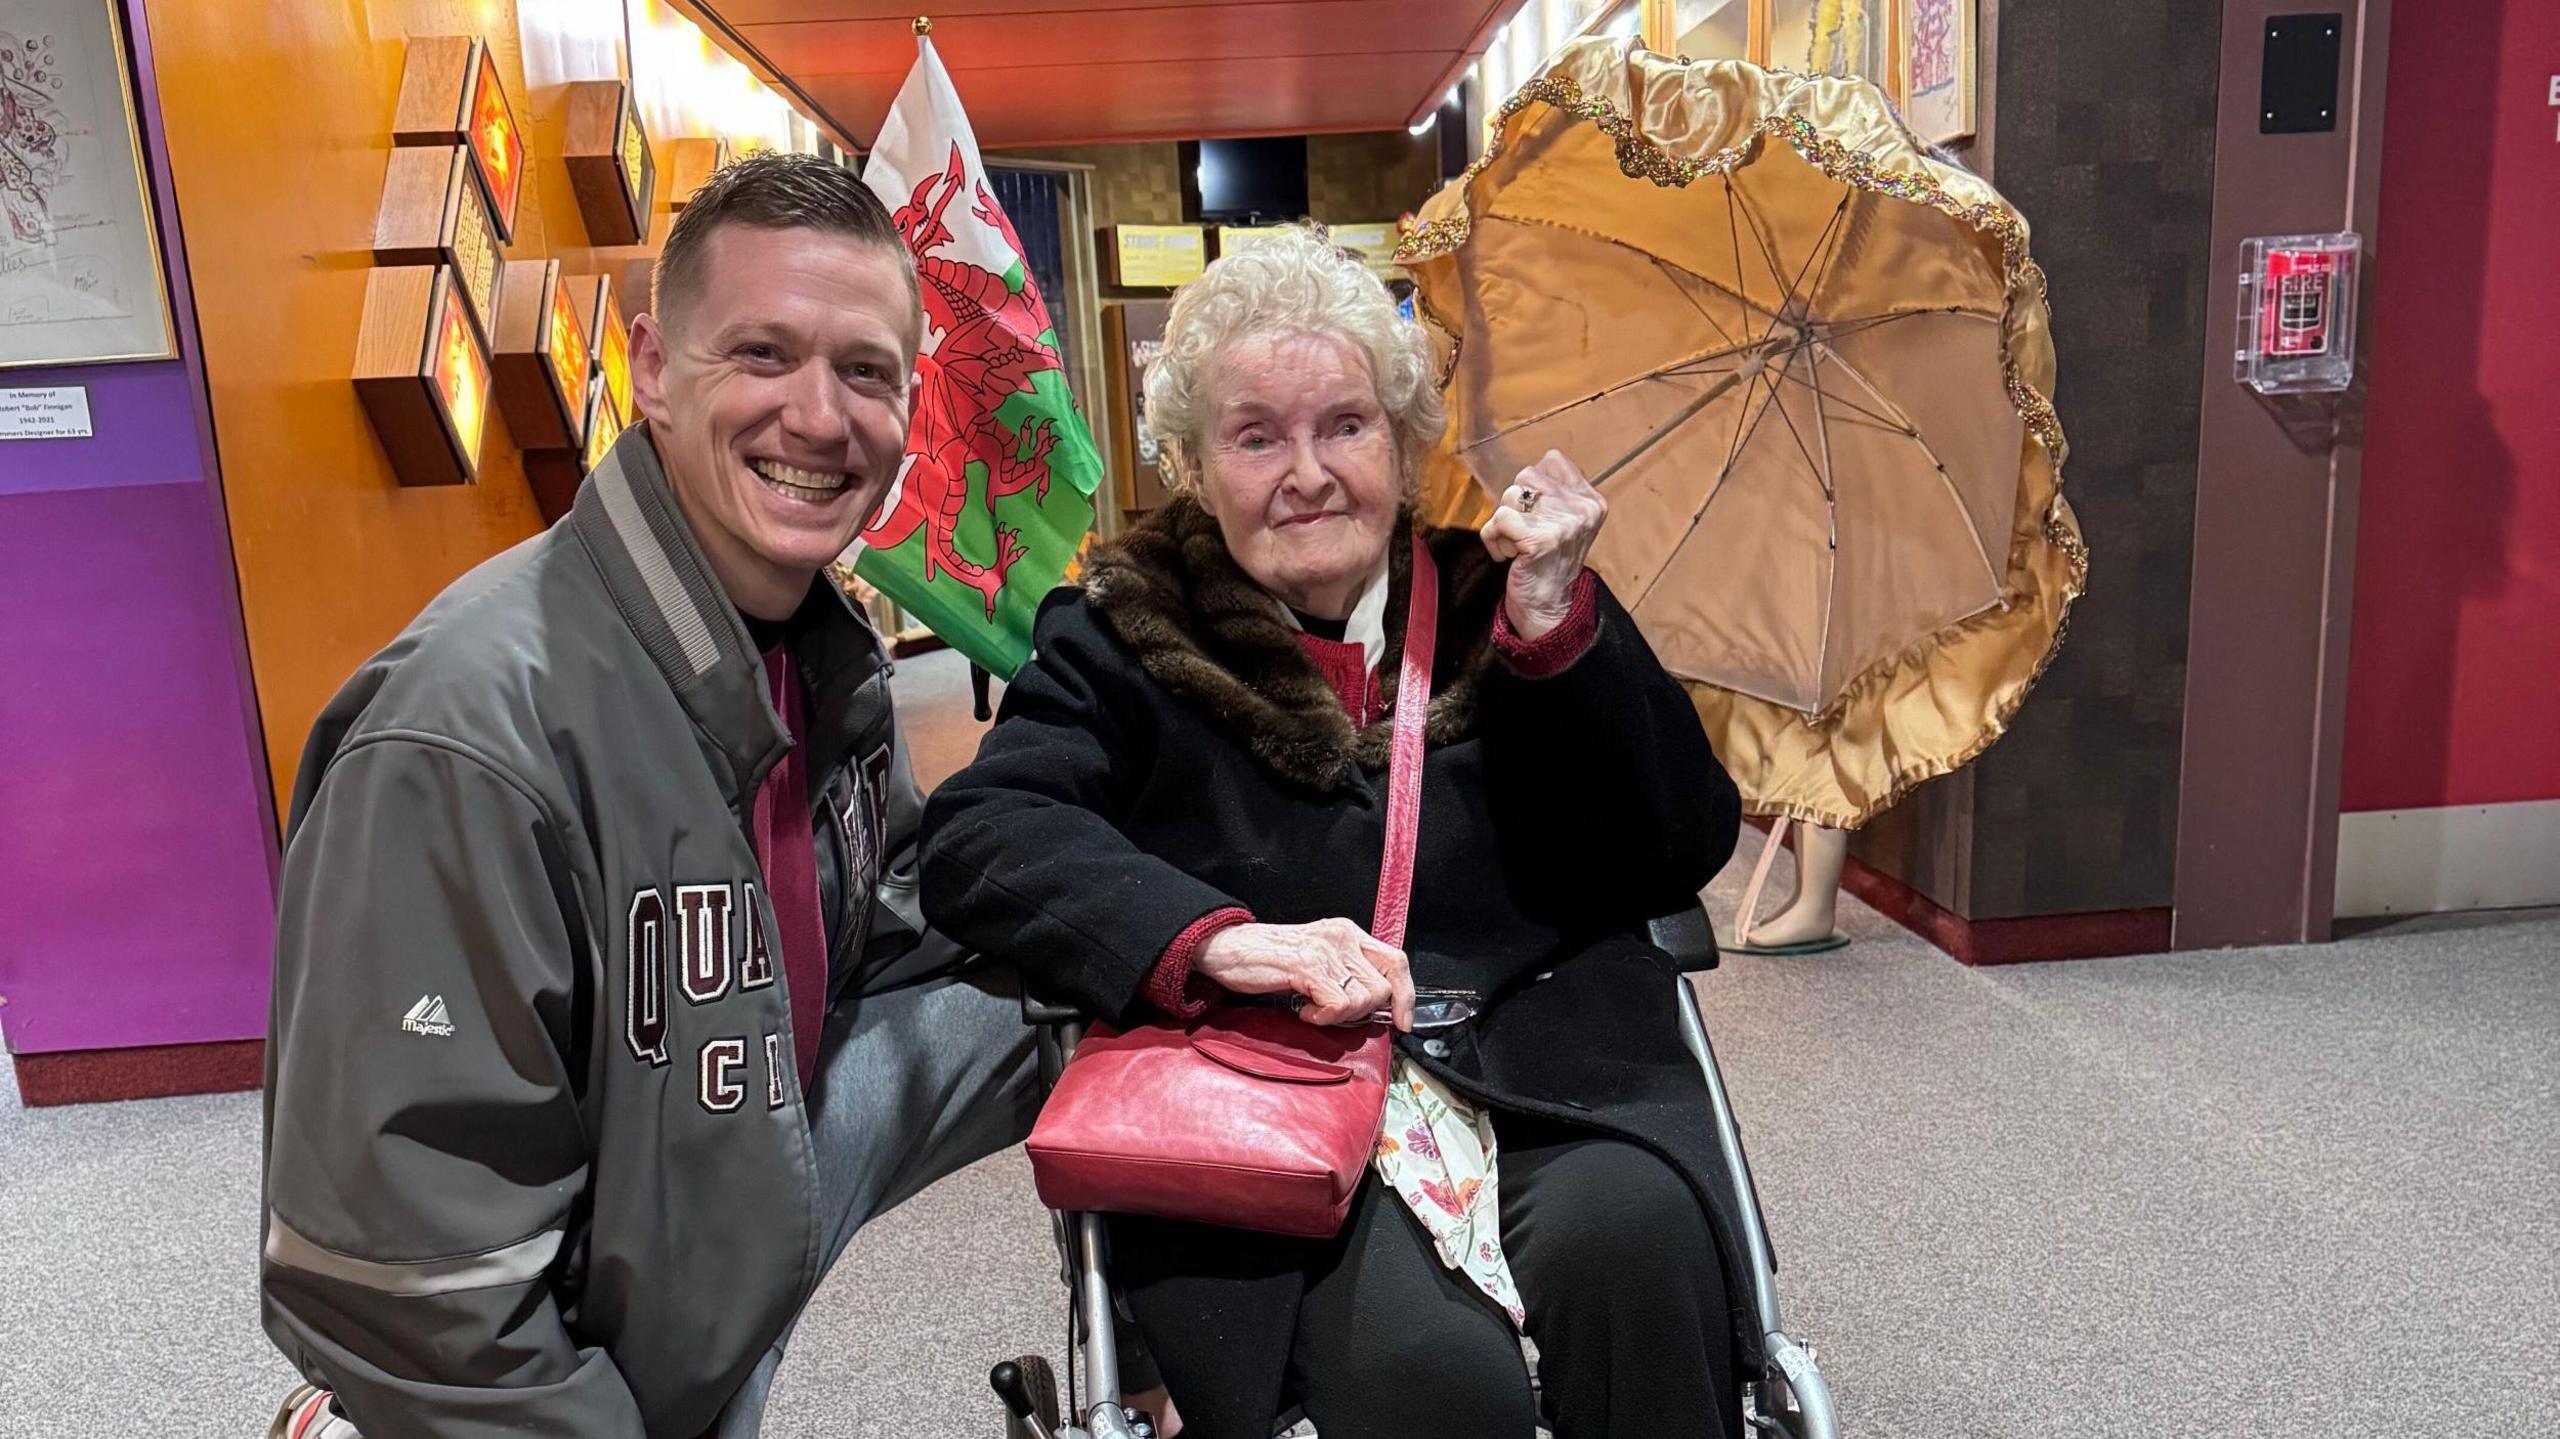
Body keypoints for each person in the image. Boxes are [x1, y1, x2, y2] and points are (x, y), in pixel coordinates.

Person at [921, 226, 1751, 1439]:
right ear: (1197, 464)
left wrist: (1556, 638)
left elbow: (1674, 845)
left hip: (1538, 1073)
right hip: (1270, 1097)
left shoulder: (1505, 592)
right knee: (1429, 1381)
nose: (1305, 471)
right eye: (1257, 435)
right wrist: (1215, 941)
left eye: (1345, 425)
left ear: (1404, 443)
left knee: (1638, 1246)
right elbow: (981, 835)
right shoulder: (1121, 631)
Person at [259, 153, 1039, 1438]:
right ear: (654, 370)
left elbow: (910, 925)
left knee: (1085, 988)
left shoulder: (816, 659)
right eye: (763, 353)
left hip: (716, 1202)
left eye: (864, 371)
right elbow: (411, 1276)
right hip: (561, 1360)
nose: (818, 416)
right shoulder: (462, 735)